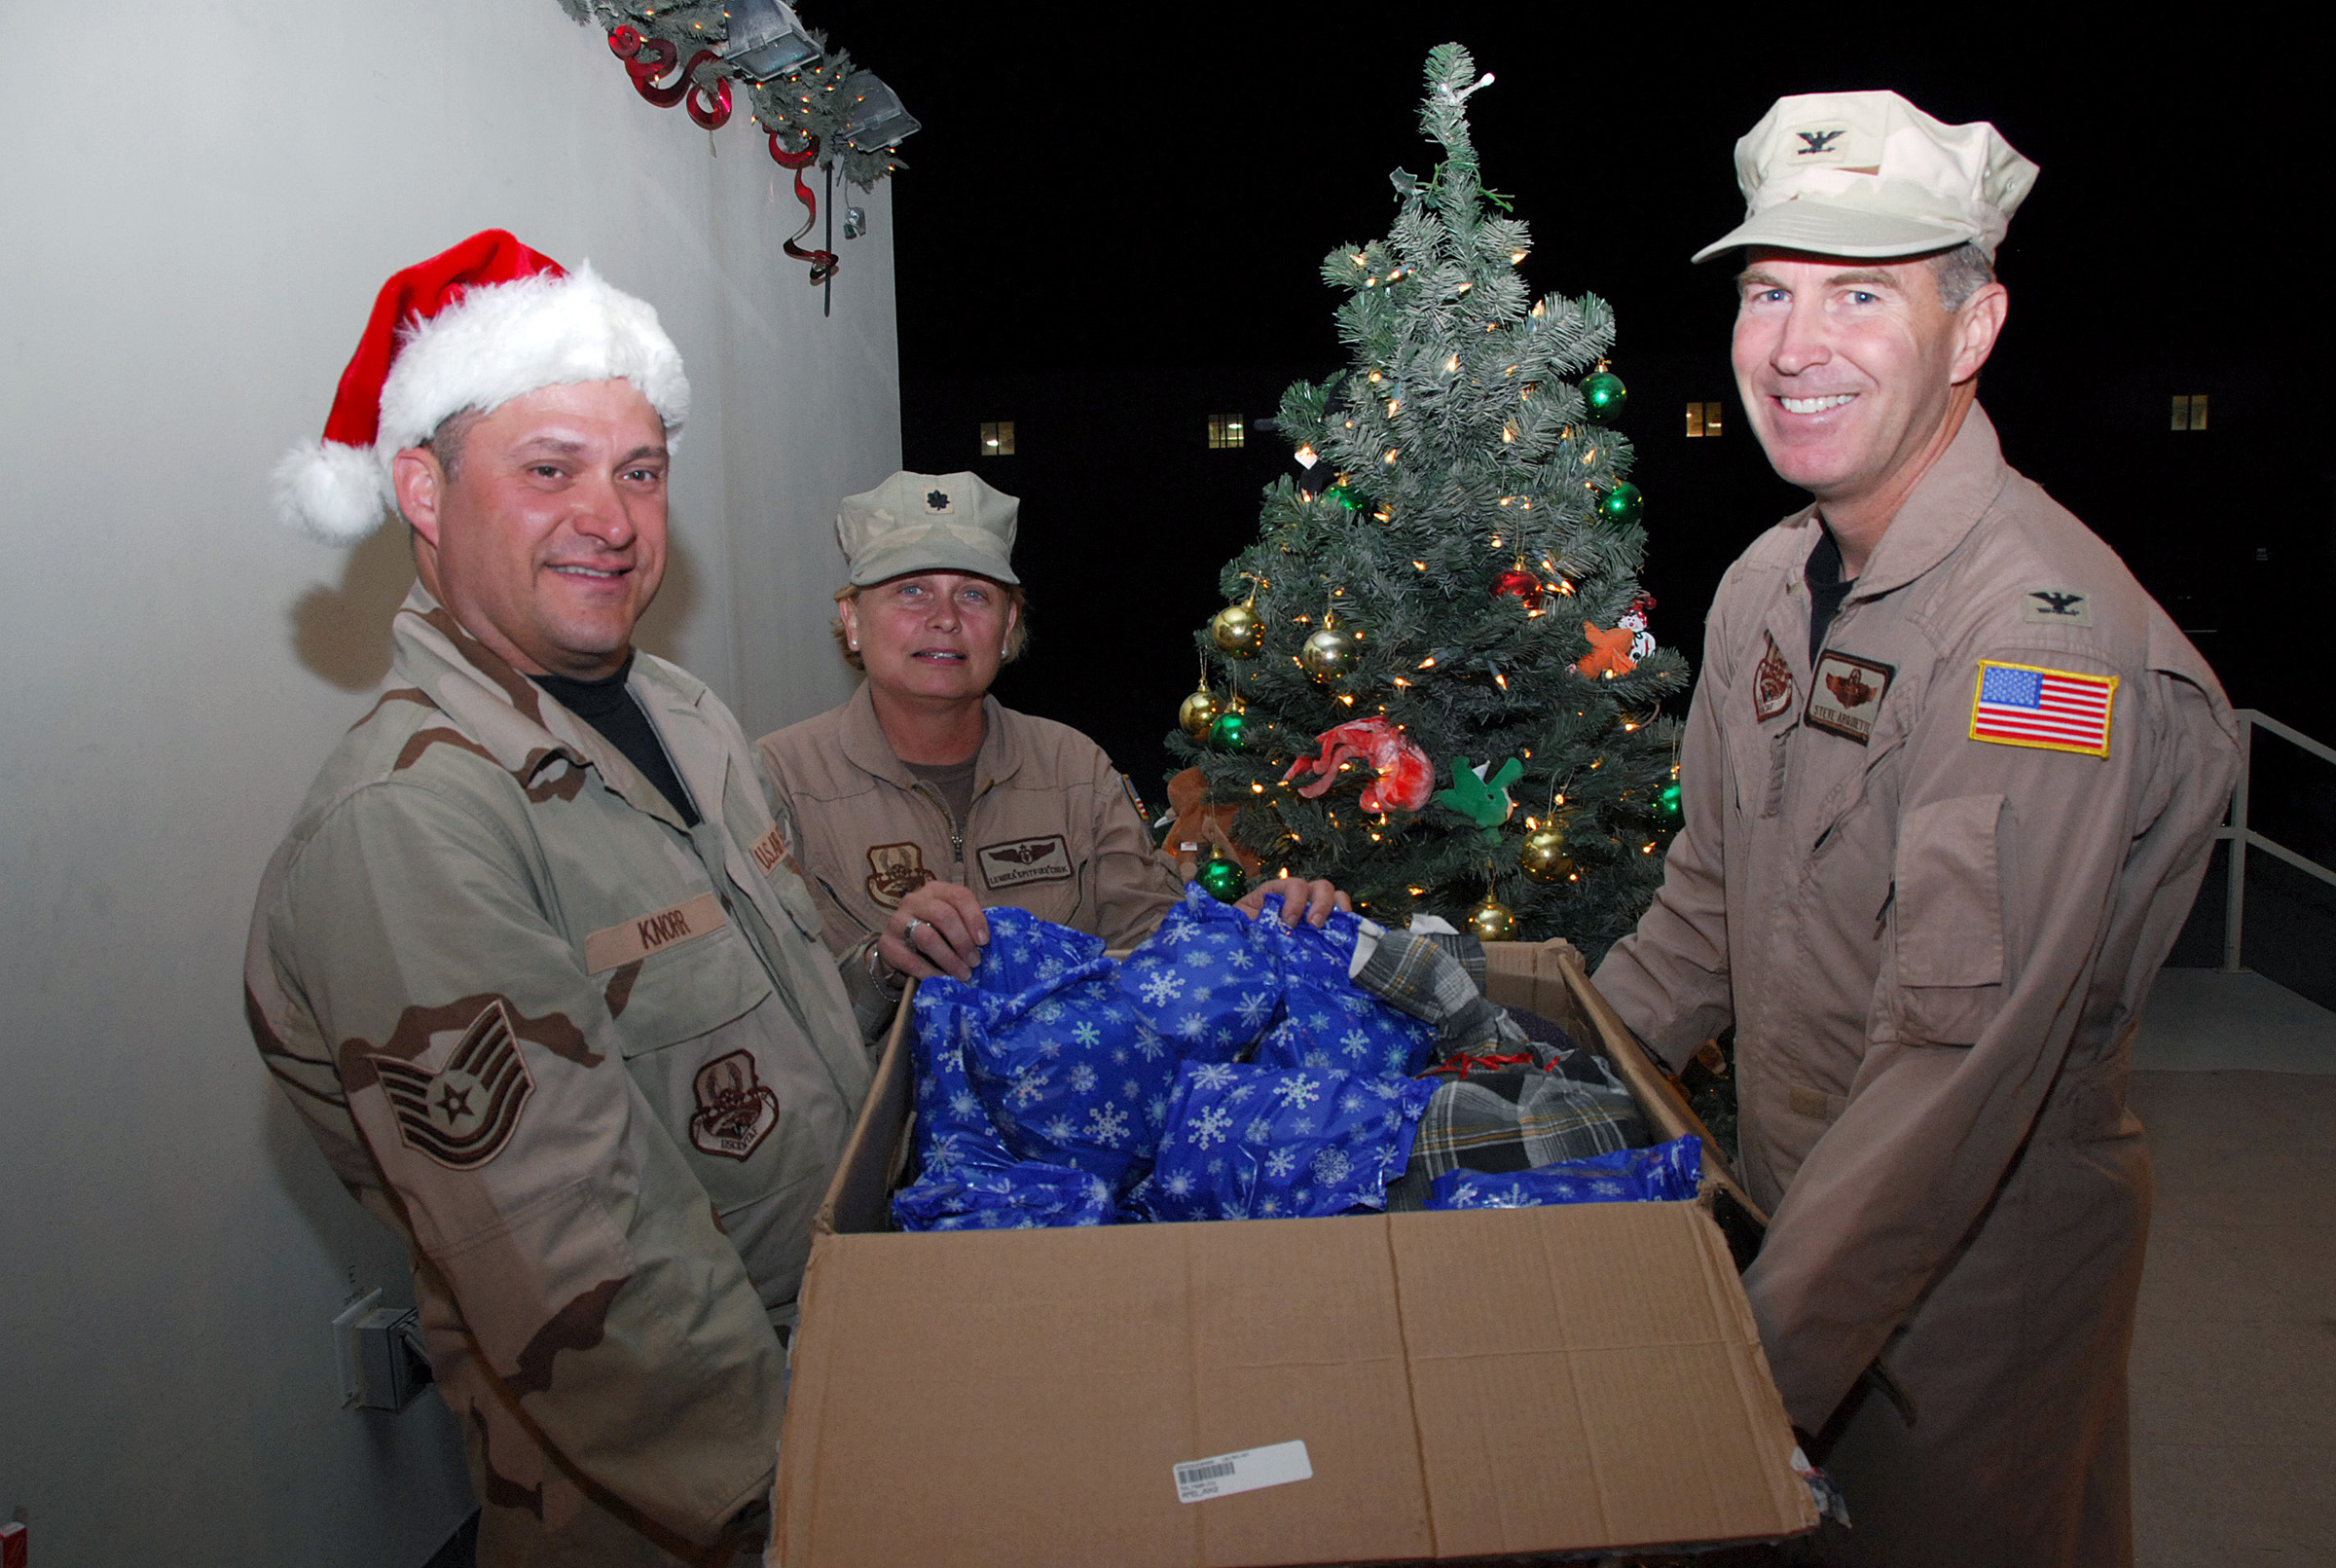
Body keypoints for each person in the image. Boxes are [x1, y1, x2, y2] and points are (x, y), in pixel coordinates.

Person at [1592, 93, 2238, 1567]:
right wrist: (1541, 1102)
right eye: (1770, 293)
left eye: (1863, 293)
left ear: (1972, 328)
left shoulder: (2036, 645)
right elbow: (1706, 901)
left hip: (1967, 1275)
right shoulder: (1769, 577)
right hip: (1791, 1198)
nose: (1794, 344)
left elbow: (1957, 1071)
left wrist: (1740, 1376)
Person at [245, 231, 887, 1566]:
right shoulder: (414, 818)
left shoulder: (684, 713)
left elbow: (766, 1017)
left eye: (640, 470)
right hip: (691, 1484)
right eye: (550, 470)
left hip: (845, 1364)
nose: (613, 516)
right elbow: (573, 1253)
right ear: (421, 489)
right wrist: (824, 1492)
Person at [758, 469, 1342, 991]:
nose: (944, 618)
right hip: (880, 1110)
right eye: (911, 590)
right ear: (853, 621)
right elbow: (773, 1007)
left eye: (973, 594)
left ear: (1007, 626)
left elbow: (1152, 946)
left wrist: (1244, 925)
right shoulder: (779, 778)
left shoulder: (1072, 769)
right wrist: (882, 972)